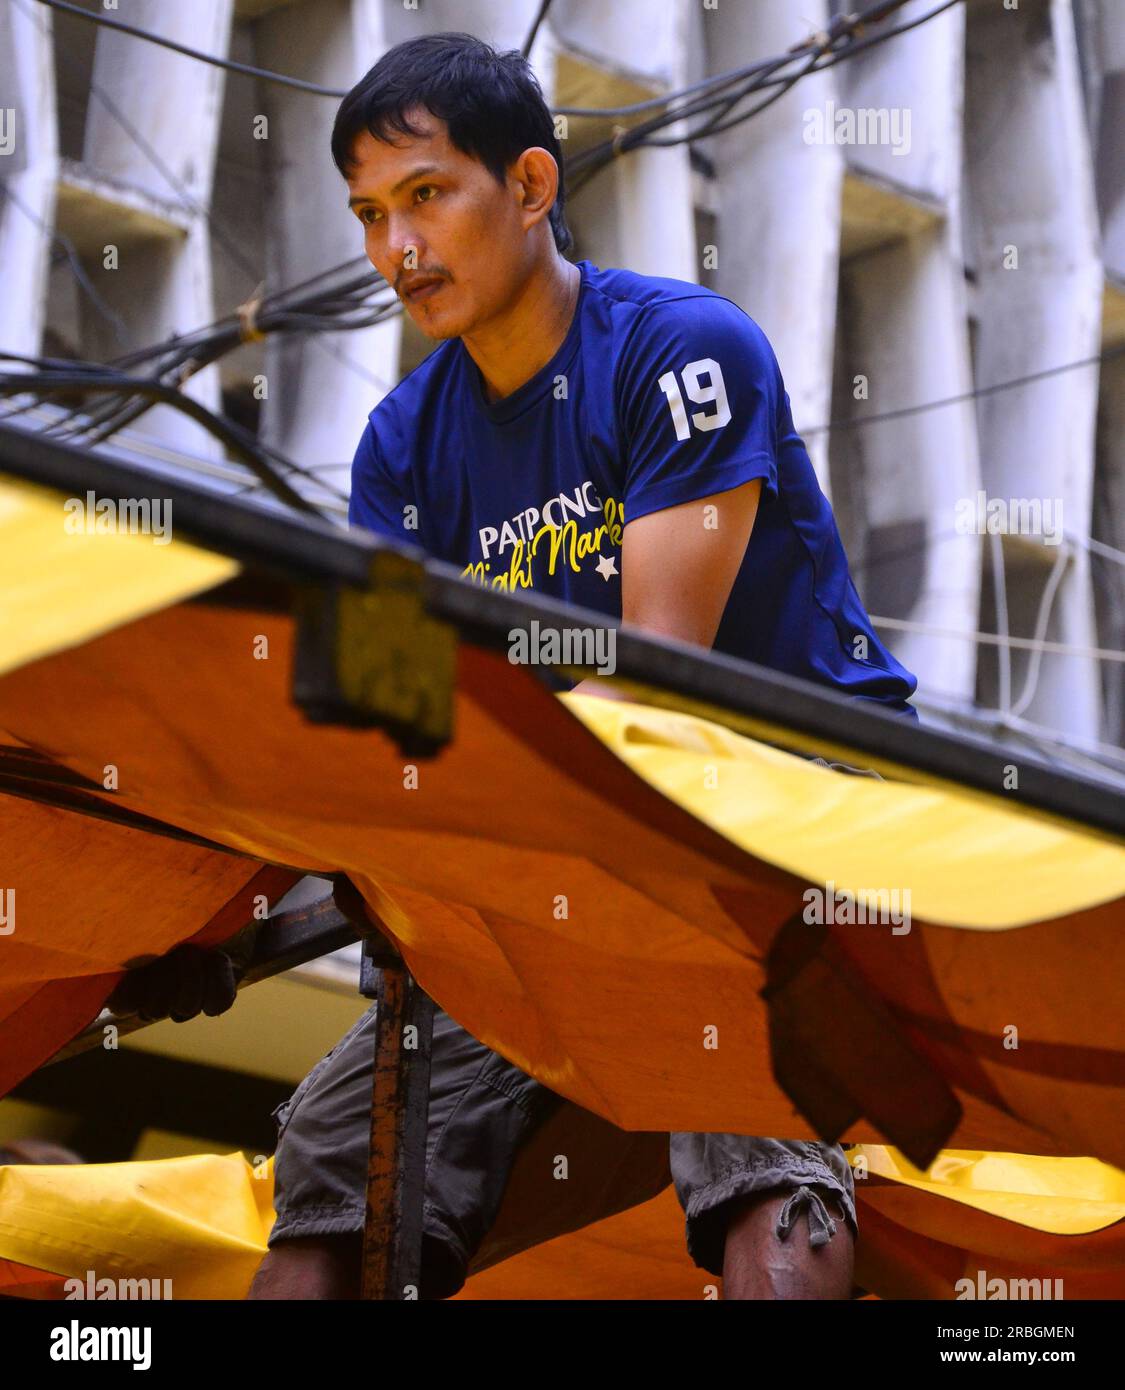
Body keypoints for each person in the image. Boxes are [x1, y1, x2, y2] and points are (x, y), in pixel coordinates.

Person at [249, 32, 918, 1302]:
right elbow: (385, 726)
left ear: (535, 187)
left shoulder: (685, 349)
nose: (397, 249)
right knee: (334, 1164)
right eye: (371, 215)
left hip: (769, 813)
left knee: (743, 1108)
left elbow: (659, 689)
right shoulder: (397, 449)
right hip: (547, 857)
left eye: (428, 195)